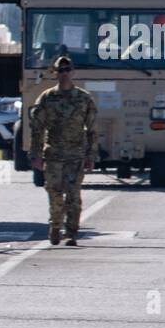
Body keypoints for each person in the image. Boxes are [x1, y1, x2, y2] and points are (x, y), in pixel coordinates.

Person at [29, 55, 98, 246]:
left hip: (76, 155)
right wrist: (35, 155)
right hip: (53, 155)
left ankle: (71, 233)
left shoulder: (84, 99)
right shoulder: (47, 98)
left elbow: (92, 129)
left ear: (73, 72)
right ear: (55, 74)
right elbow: (37, 128)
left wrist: (91, 156)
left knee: (73, 195)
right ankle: (55, 226)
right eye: (61, 71)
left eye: (67, 70)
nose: (65, 74)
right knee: (54, 193)